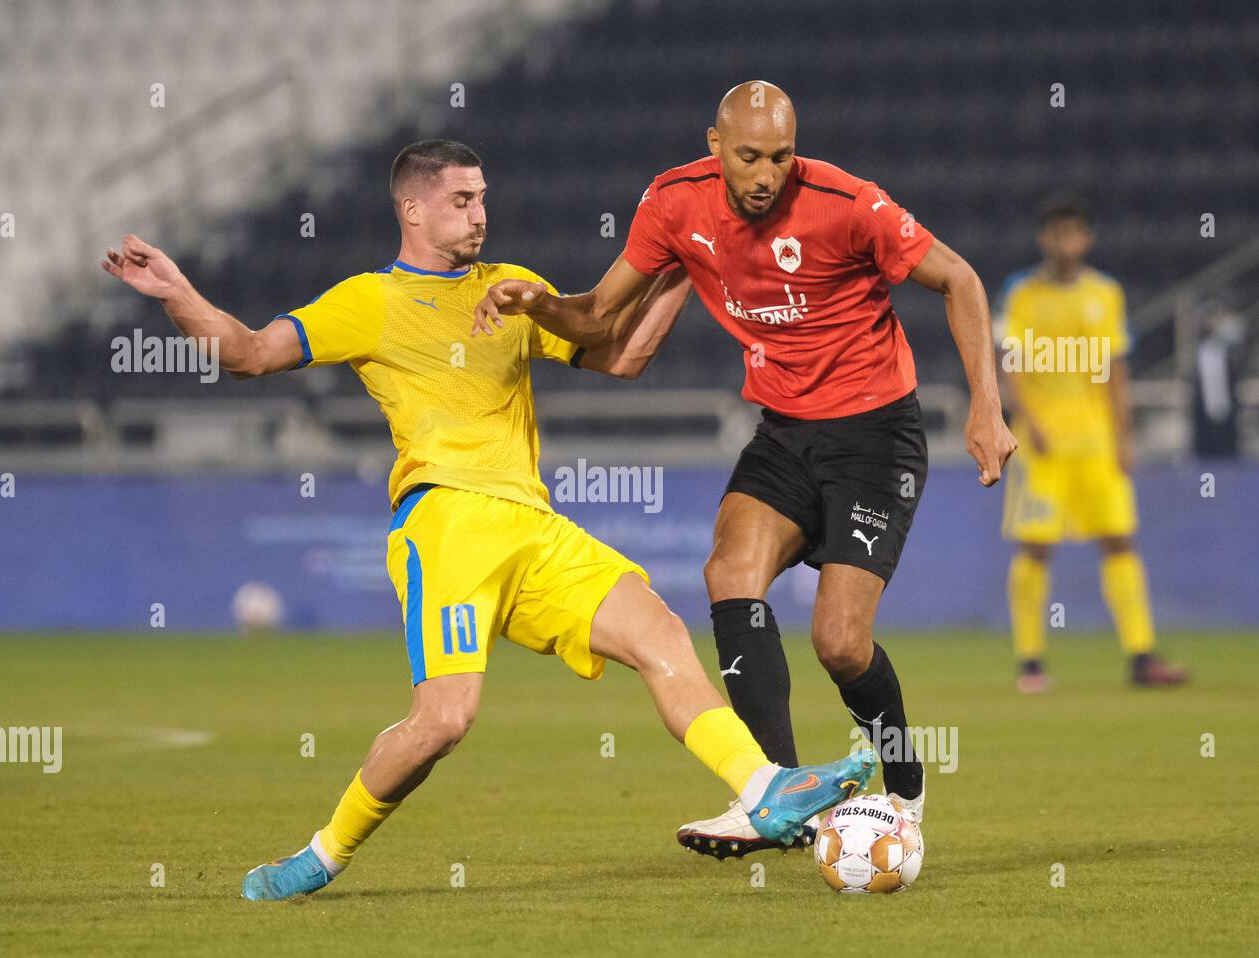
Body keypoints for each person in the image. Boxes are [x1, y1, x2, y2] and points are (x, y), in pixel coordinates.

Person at [101, 138, 876, 900]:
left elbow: (622, 353)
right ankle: (321, 854)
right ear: (412, 208)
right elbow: (247, 352)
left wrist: (681, 265)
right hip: (447, 523)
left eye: (483, 199)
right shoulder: (369, 301)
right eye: (461, 200)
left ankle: (762, 786)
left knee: (660, 633)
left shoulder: (511, 285)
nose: (479, 215)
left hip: (533, 525)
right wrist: (177, 292)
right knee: (443, 720)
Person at [473, 82, 1015, 857]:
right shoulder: (673, 202)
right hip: (785, 430)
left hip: (875, 435)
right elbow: (597, 315)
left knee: (840, 642)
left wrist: (985, 407)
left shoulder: (846, 203)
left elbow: (959, 278)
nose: (767, 173)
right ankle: (773, 793)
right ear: (714, 146)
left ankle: (904, 784)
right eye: (750, 156)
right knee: (729, 573)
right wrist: (539, 302)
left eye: (782, 156)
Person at [997, 196, 1187, 692]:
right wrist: (1023, 422)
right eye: (1057, 233)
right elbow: (1007, 364)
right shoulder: (1021, 293)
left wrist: (1124, 438)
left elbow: (1117, 371)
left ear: (1087, 238)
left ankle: (1142, 655)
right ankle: (1030, 660)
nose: (1066, 242)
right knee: (1036, 546)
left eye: (1074, 233)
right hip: (1041, 447)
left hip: (1098, 442)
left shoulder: (1107, 293)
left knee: (1120, 539)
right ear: (1045, 239)